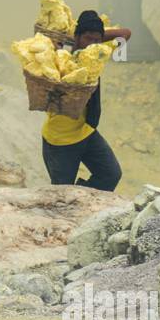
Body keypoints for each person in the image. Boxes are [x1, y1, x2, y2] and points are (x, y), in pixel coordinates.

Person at [41, 10, 131, 192]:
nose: (92, 45)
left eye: (96, 40)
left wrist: (94, 33)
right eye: (87, 38)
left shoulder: (97, 54)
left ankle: (81, 197)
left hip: (86, 132)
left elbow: (125, 34)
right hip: (60, 142)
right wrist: (68, 41)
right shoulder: (60, 61)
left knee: (111, 174)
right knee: (61, 195)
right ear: (77, 37)